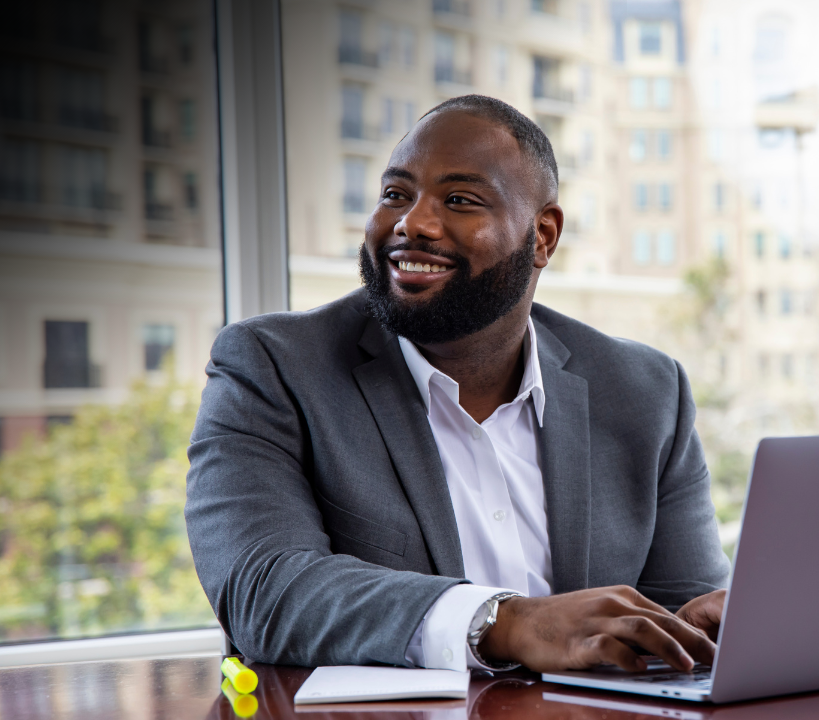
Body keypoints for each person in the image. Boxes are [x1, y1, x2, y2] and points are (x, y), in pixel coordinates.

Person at [185, 95, 729, 674]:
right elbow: (264, 590)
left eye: (460, 200)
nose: (411, 222)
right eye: (395, 194)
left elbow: (681, 612)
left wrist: (698, 628)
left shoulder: (646, 391)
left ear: (542, 236)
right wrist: (504, 621)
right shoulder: (273, 367)